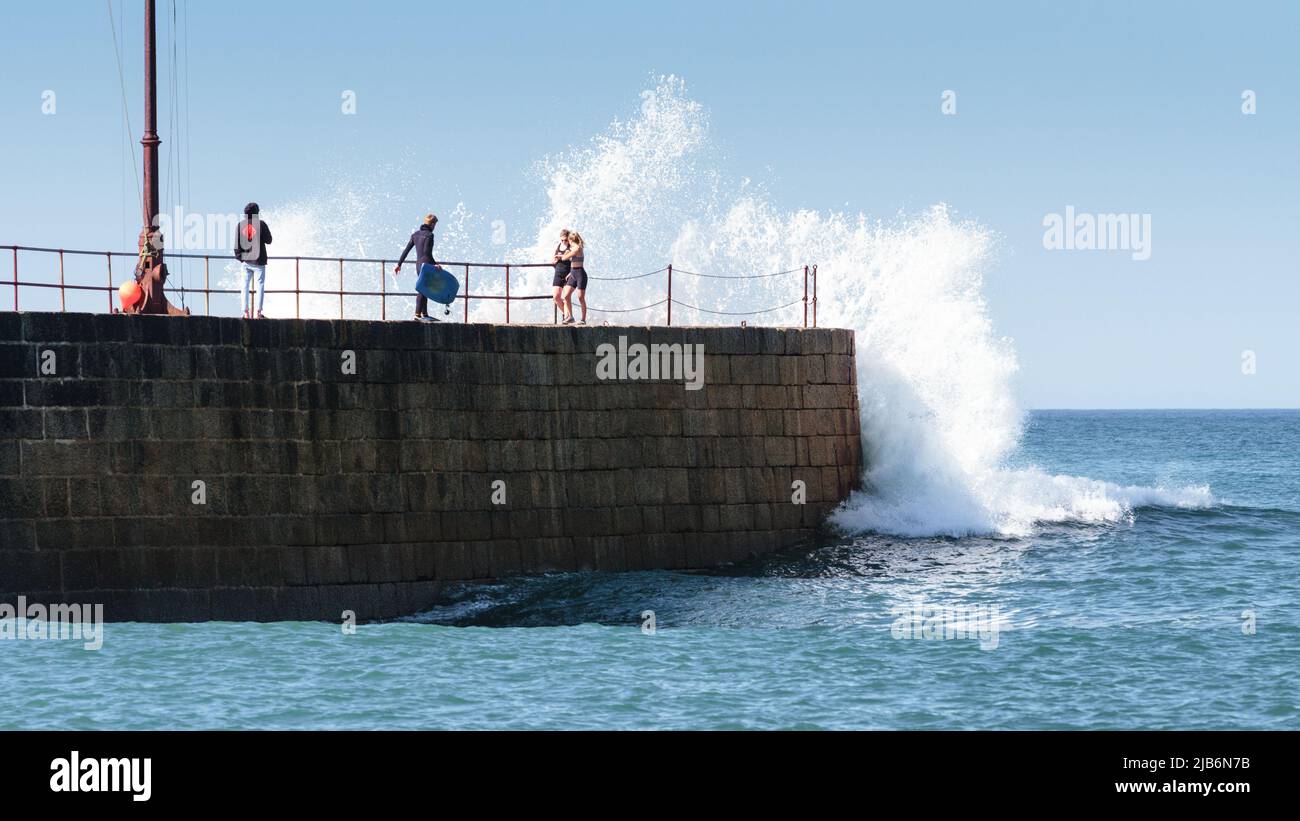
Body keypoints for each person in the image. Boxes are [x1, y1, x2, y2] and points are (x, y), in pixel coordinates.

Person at [394, 213, 438, 322]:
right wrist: (435, 264)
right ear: (432, 224)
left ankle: (424, 314)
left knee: (424, 287)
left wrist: (399, 264)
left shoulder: (415, 235)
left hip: (418, 265)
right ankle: (417, 314)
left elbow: (406, 250)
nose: (435, 227)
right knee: (423, 288)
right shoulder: (430, 235)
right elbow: (427, 253)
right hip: (426, 264)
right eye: (435, 224)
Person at [233, 202, 272, 319]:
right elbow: (269, 240)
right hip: (259, 261)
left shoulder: (240, 225)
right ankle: (259, 313)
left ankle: (246, 312)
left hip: (246, 261)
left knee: (244, 285)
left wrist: (241, 257)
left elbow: (236, 246)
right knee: (260, 285)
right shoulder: (261, 224)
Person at [560, 231, 587, 325]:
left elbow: (564, 258)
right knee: (566, 296)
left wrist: (566, 252)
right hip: (573, 273)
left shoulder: (577, 248)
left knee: (581, 297)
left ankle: (583, 319)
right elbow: (568, 258)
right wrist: (570, 272)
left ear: (571, 240)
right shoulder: (572, 248)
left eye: (568, 240)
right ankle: (570, 317)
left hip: (580, 274)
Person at [551, 229, 571, 322]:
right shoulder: (559, 246)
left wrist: (572, 272)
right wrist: (554, 260)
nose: (564, 242)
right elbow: (554, 258)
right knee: (556, 296)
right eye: (562, 240)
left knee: (566, 297)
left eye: (565, 240)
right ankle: (566, 314)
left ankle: (568, 317)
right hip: (558, 272)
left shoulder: (572, 247)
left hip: (568, 273)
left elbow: (572, 258)